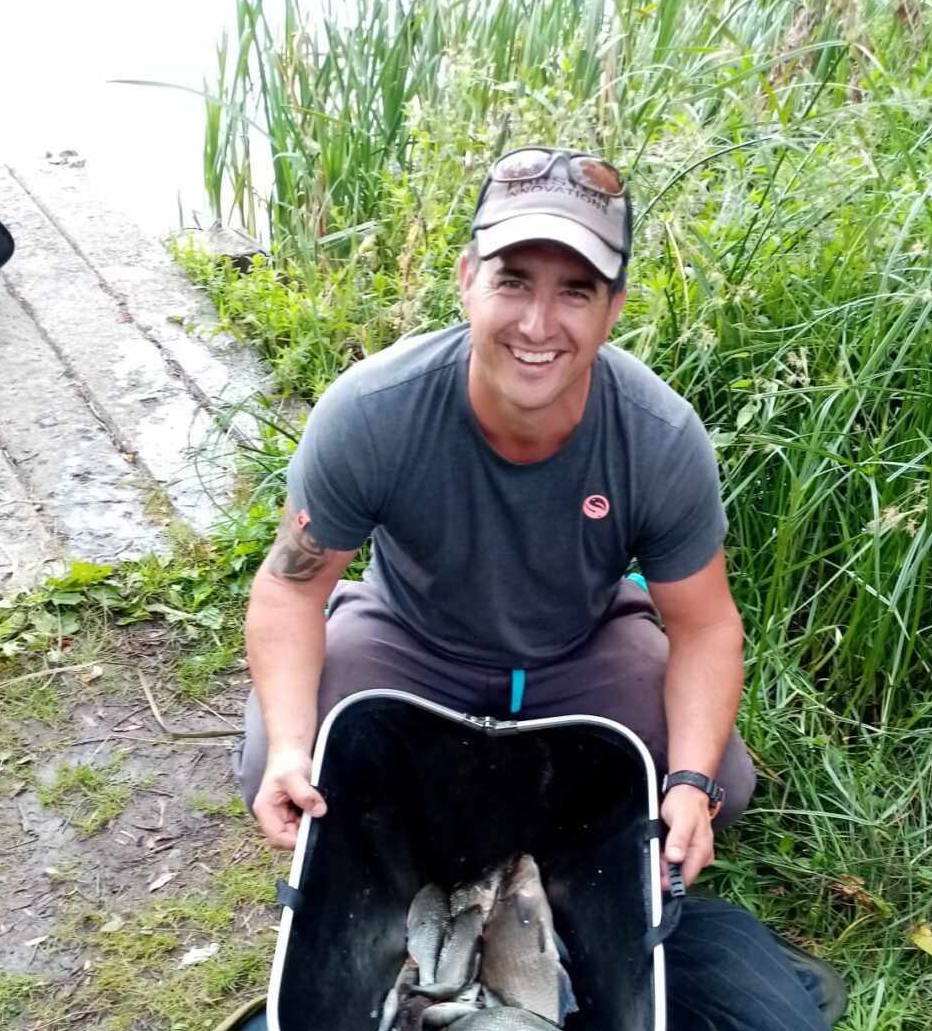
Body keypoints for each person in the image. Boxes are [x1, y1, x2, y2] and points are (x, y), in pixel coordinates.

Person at [235, 146, 755, 887]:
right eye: (513, 281)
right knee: (277, 757)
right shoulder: (373, 411)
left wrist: (690, 784)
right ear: (467, 279)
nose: (538, 325)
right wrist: (290, 746)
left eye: (576, 292)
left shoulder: (659, 436)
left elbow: (705, 625)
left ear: (615, 309)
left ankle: (522, 813)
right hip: (409, 637)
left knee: (719, 777)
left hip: (580, 647)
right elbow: (291, 589)